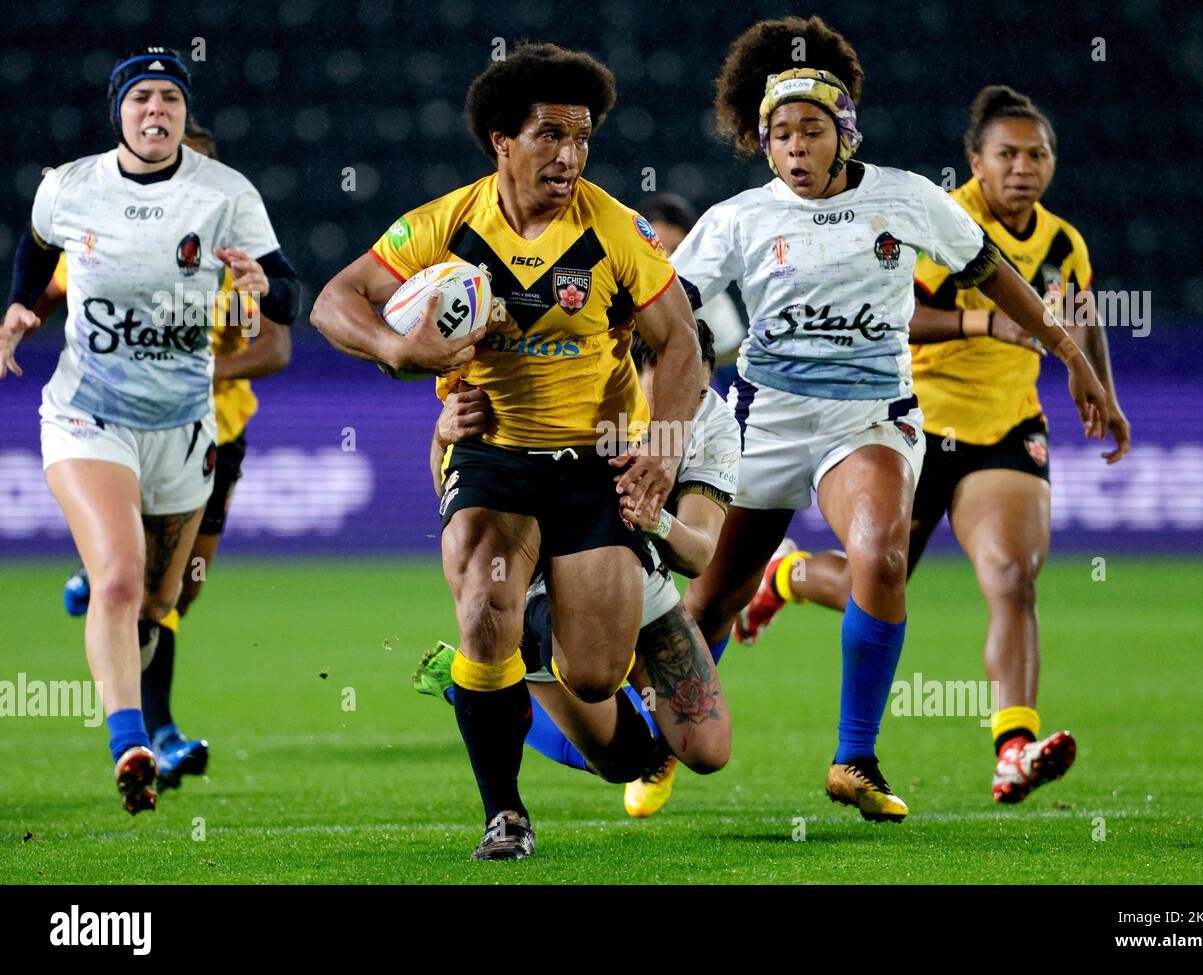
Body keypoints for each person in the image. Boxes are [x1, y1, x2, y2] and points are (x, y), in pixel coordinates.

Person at [671, 17, 1109, 824]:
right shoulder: (737, 219)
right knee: (707, 603)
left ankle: (855, 758)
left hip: (868, 419)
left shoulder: (907, 197)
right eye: (780, 135)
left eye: (811, 131)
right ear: (764, 146)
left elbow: (997, 271)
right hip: (764, 426)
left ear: (844, 136)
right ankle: (659, 740)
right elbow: (664, 310)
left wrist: (1069, 353)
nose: (796, 148)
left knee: (881, 550)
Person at [310, 43, 701, 860]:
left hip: (594, 463)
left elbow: (683, 348)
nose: (569, 155)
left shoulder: (616, 231)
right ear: (501, 140)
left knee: (594, 674)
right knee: (483, 602)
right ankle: (505, 813)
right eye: (550, 135)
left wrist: (659, 453)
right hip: (492, 454)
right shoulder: (444, 224)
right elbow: (332, 300)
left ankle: (536, 632)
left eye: (582, 137)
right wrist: (397, 349)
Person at [0, 47, 299, 814]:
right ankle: (132, 739)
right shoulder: (72, 189)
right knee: (123, 578)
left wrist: (267, 291)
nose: (155, 109)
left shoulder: (224, 199)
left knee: (161, 603)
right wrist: (21, 308)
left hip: (188, 430)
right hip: (88, 416)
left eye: (169, 97)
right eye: (142, 98)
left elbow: (286, 304)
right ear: (121, 112)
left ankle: (101, 594)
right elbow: (35, 248)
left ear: (183, 115)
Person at [416, 318, 738, 819]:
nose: (688, 408)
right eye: (676, 389)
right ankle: (482, 676)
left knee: (707, 749)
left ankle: (487, 679)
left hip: (642, 571)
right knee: (627, 757)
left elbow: (697, 556)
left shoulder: (712, 423)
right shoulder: (582, 395)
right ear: (631, 371)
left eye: (698, 392)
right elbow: (458, 484)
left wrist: (657, 520)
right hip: (541, 585)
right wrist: (442, 435)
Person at [56, 121, 295, 791]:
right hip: (128, 426)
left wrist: (201, 370)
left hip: (215, 438)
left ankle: (97, 582)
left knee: (176, 594)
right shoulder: (107, 238)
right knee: (132, 588)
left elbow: (275, 347)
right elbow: (56, 295)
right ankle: (151, 731)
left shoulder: (238, 254)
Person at [637, 193, 746, 367]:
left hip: (721, 359)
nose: (668, 258)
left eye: (675, 248)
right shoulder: (630, 272)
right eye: (658, 247)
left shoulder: (697, 274)